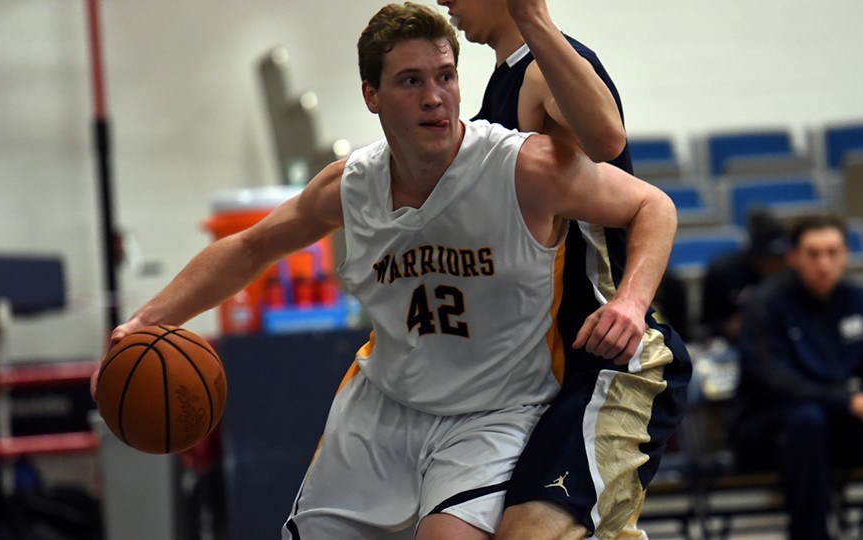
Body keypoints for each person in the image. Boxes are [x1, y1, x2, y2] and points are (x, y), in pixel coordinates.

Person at [91, 4, 680, 538]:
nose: (434, 97)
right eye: (411, 81)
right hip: (386, 406)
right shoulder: (352, 183)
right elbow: (249, 248)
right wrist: (144, 322)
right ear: (371, 95)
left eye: (445, 77)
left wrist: (629, 301)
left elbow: (644, 193)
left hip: (500, 403)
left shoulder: (521, 161)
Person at [435, 1, 691, 538]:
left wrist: (630, 302)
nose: (443, 0)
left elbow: (606, 138)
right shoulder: (502, 84)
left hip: (611, 358)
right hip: (539, 372)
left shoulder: (548, 66)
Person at [732, 214, 863, 540]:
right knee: (807, 421)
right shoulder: (765, 304)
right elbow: (776, 382)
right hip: (771, 428)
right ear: (793, 257)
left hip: (838, 418)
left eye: (833, 252)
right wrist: (854, 402)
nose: (824, 263)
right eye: (813, 253)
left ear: (846, 255)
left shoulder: (859, 300)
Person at [701, 208, 789, 341]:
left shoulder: (792, 270)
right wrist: (729, 327)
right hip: (734, 345)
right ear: (755, 253)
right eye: (769, 258)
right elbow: (707, 325)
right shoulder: (723, 272)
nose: (776, 264)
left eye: (780, 258)